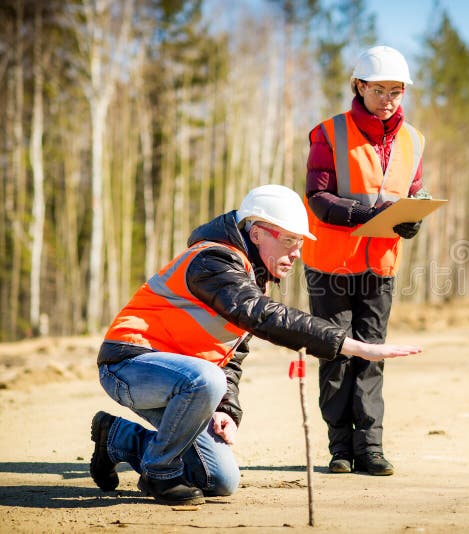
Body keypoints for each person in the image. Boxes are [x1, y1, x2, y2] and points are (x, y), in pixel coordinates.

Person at [90, 184, 421, 506]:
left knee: (220, 479)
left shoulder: (251, 277)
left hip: (184, 383)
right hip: (129, 364)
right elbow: (263, 316)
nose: (296, 253)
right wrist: (351, 345)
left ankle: (117, 438)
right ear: (258, 233)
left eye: (300, 243)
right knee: (206, 380)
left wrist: (225, 409)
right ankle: (160, 471)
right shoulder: (213, 261)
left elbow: (231, 355)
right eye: (289, 240)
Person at [303, 45, 427, 476]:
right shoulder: (329, 133)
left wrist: (410, 221)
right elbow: (318, 200)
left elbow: (412, 195)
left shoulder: (414, 140)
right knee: (335, 354)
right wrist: (368, 215)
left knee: (371, 354)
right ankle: (340, 450)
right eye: (379, 90)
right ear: (359, 86)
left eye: (397, 90)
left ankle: (370, 449)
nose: (389, 99)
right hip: (329, 264)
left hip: (381, 265)